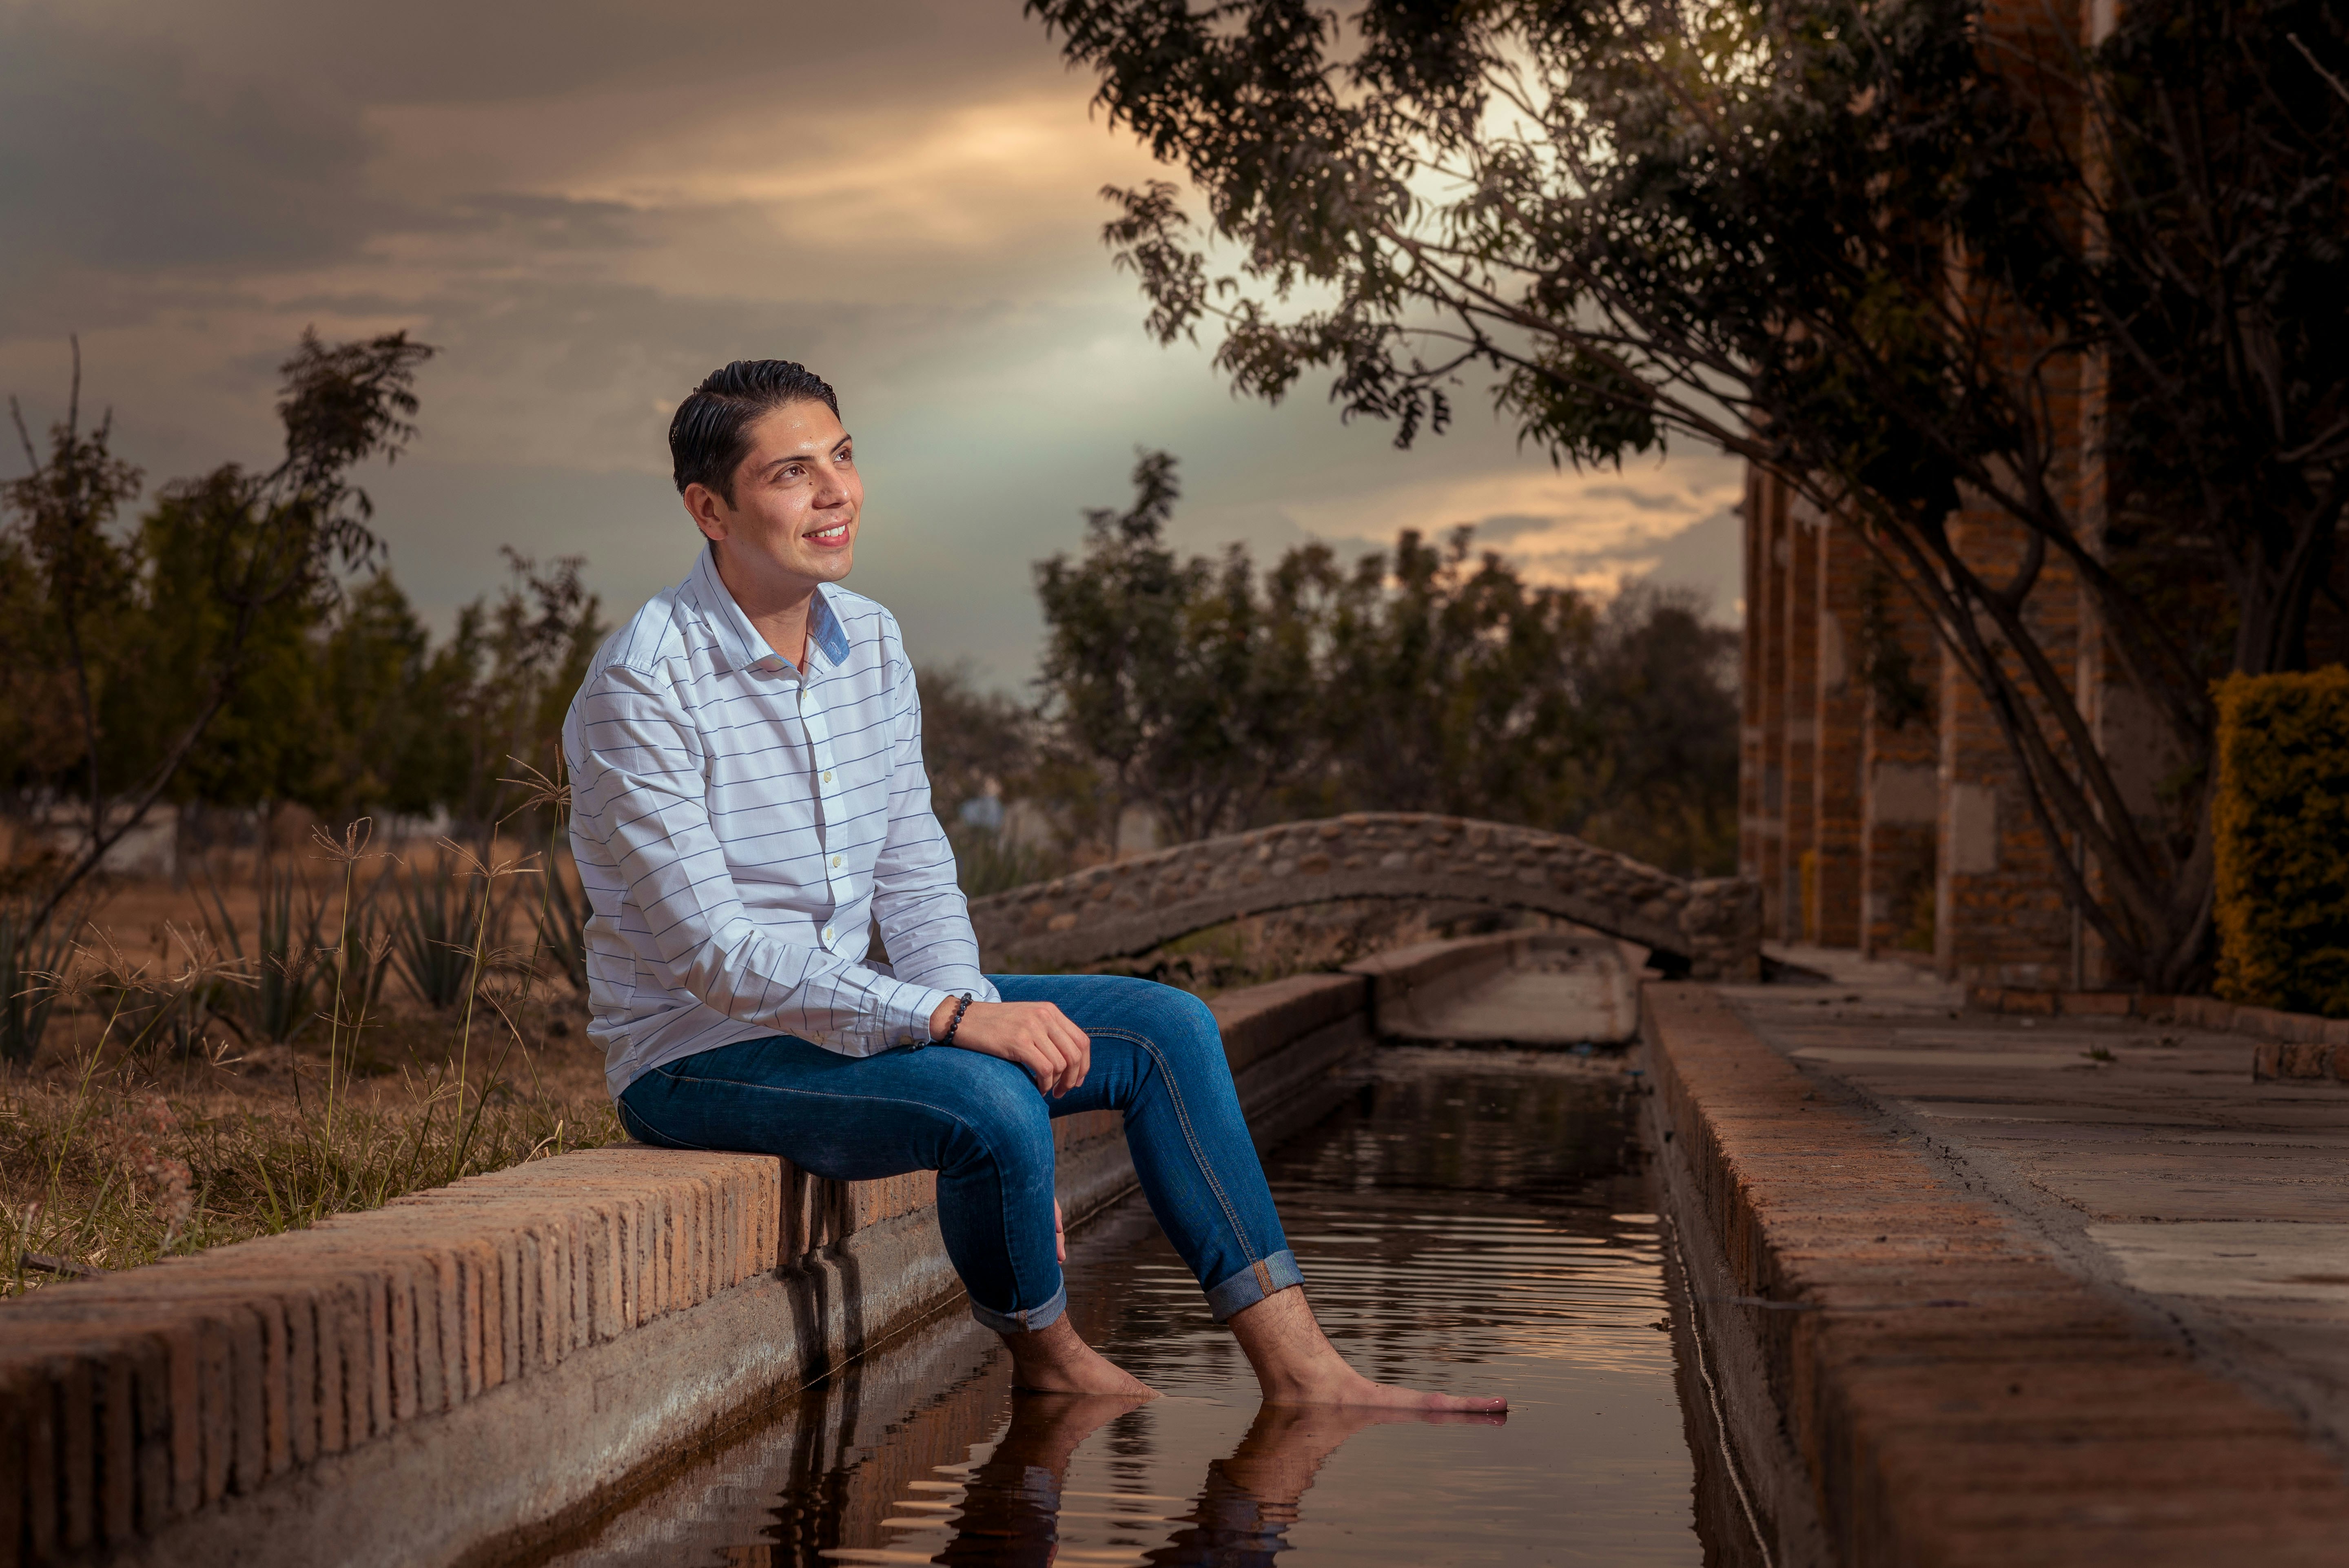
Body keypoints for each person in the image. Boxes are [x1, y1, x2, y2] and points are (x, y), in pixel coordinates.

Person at [563, 359, 1502, 1411]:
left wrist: (968, 1009)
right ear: (710, 510)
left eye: (844, 457)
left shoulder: (870, 642)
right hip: (700, 1054)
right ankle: (1051, 1370)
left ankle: (1302, 1370)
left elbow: (915, 875)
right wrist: (957, 1025)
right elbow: (717, 957)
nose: (836, 493)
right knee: (991, 1102)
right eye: (792, 474)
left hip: (840, 1016)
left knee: (1168, 1029)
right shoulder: (643, 682)